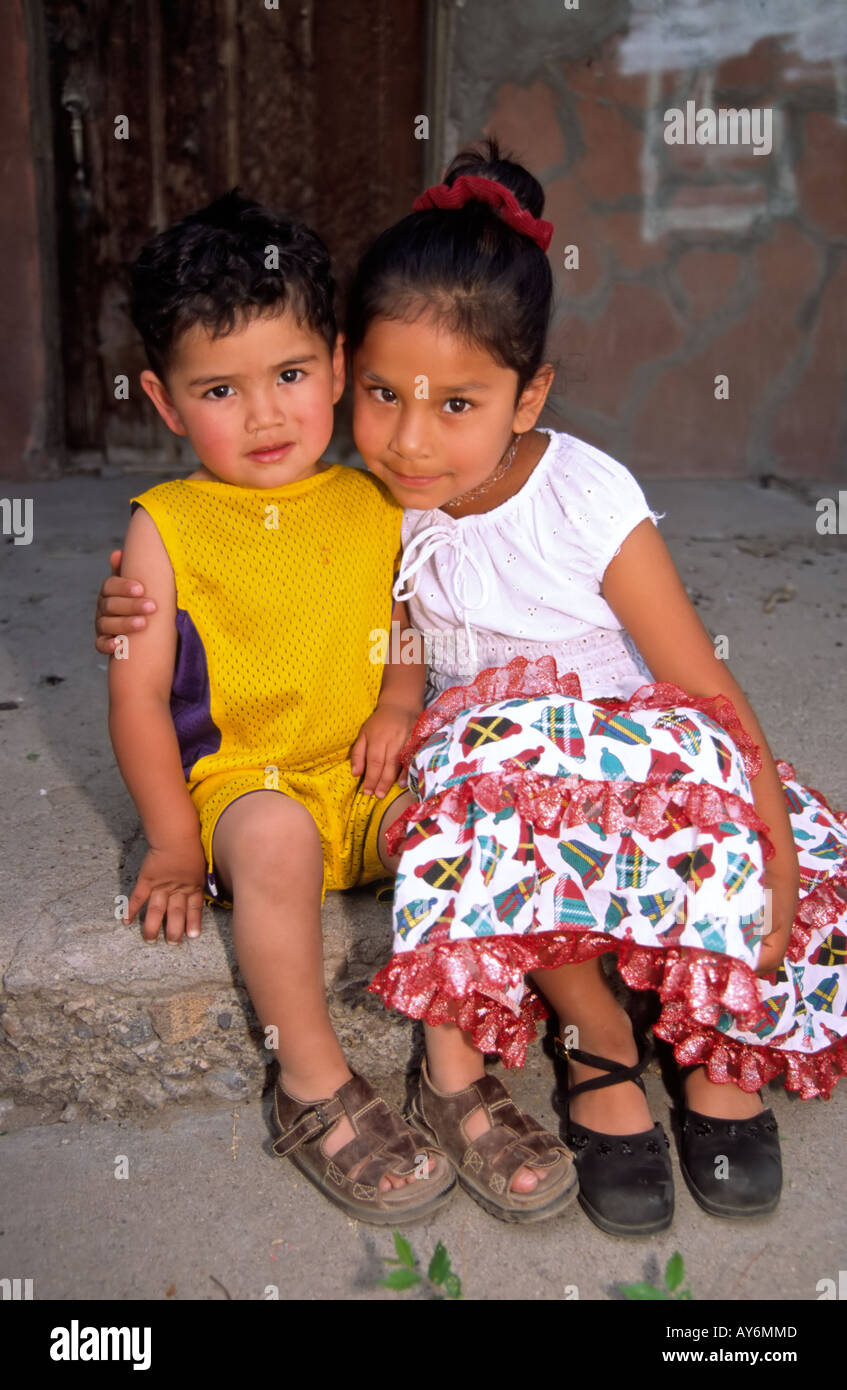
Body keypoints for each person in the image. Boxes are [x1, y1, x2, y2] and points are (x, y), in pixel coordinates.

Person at [343, 141, 847, 1234]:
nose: (411, 438)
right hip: (500, 764)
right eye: (382, 394)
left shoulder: (583, 495)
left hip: (625, 738)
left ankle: (719, 1045)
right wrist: (396, 699)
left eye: (457, 404)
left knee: (712, 822)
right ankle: (598, 1036)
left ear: (529, 396)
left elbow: (699, 678)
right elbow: (399, 605)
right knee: (505, 804)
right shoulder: (386, 494)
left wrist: (771, 850)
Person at [102, 188, 461, 1225]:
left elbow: (407, 621)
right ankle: (312, 1078)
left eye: (292, 376)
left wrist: (400, 702)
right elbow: (134, 694)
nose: (264, 414)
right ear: (164, 403)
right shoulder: (163, 527)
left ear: (340, 367)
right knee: (266, 836)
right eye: (220, 389)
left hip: (366, 778)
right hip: (249, 791)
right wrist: (173, 842)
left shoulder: (372, 496)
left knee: (473, 802)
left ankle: (457, 1062)